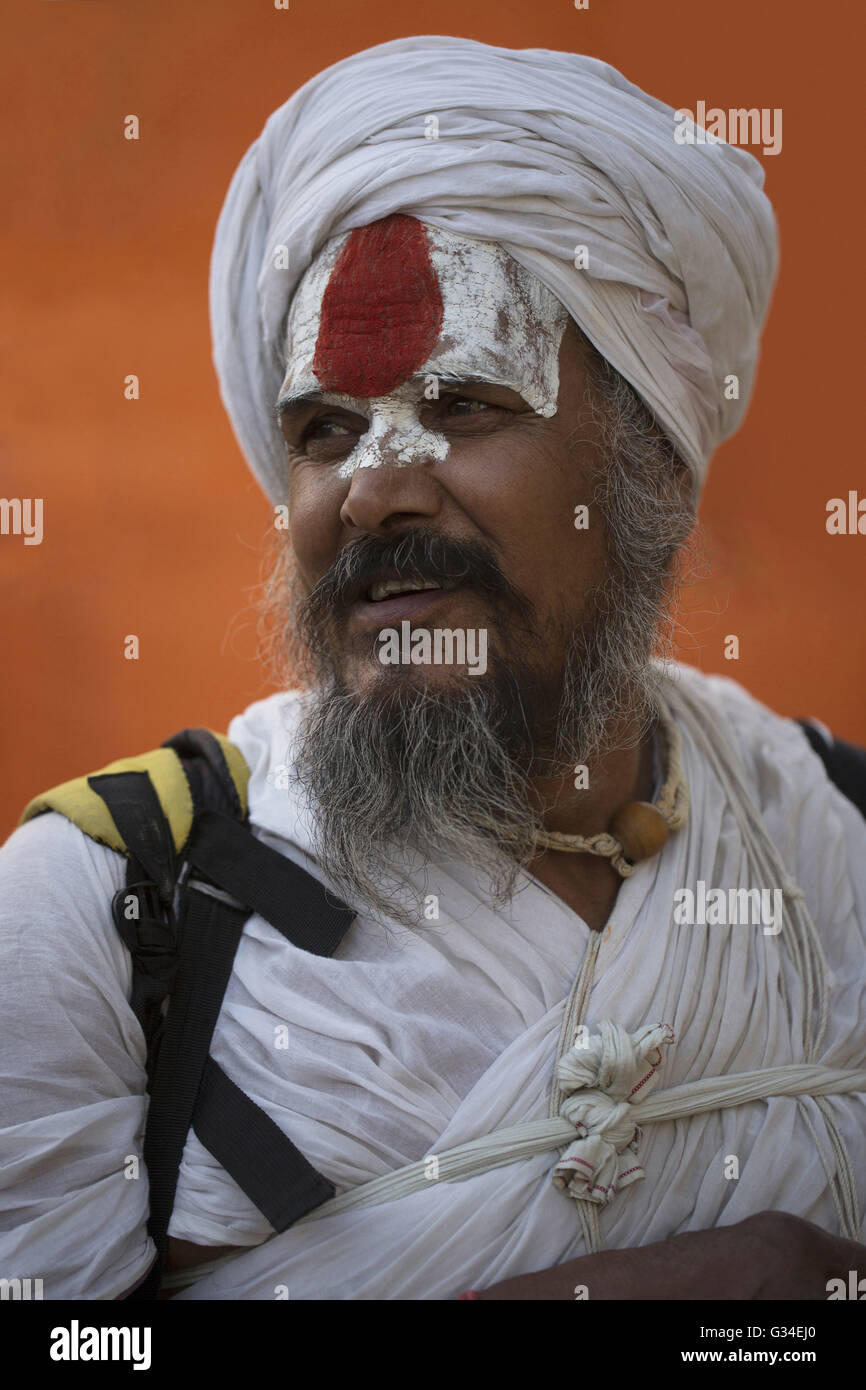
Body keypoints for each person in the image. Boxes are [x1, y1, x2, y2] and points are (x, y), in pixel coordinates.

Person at [1, 36, 864, 1301]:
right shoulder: (97, 908)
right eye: (324, 430)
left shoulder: (835, 837)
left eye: (460, 404)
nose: (374, 492)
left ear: (655, 472)